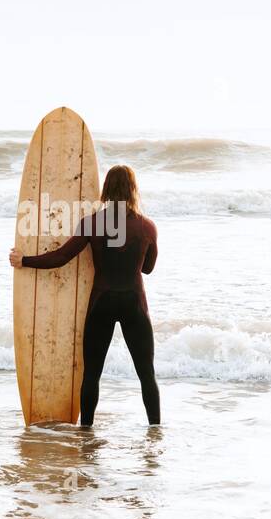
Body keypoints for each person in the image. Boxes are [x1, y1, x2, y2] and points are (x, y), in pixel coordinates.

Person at [9, 165, 161, 426]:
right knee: (146, 374)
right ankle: (155, 432)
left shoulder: (92, 223)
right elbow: (147, 269)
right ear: (133, 190)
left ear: (106, 189)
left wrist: (24, 260)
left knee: (92, 373)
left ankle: (86, 434)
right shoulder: (147, 227)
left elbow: (61, 257)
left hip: (101, 303)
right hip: (134, 304)